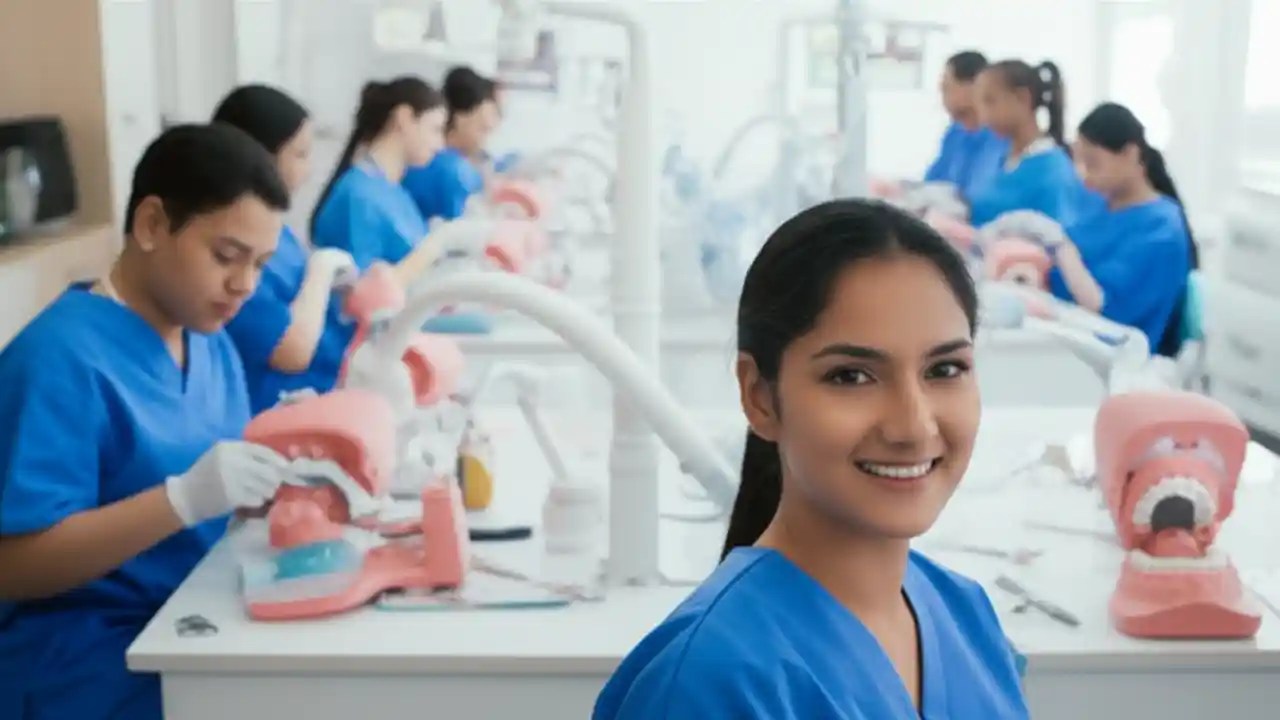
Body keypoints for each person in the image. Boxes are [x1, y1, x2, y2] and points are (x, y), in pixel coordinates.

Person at [593, 200, 1029, 719]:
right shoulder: (705, 683)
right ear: (760, 397)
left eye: (946, 369)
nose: (913, 426)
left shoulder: (966, 616)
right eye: (851, 376)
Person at [0, 124, 293, 719]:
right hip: (90, 666)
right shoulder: (58, 359)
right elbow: (15, 565)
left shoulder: (209, 344)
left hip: (199, 625)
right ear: (152, 224)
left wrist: (278, 467)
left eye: (261, 265)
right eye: (227, 257)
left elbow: (217, 509)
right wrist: (182, 499)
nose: (245, 285)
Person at [213, 84, 359, 414]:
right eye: (300, 155)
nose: (307, 172)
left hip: (326, 391)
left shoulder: (279, 233)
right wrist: (322, 270)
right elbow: (291, 350)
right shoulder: (232, 249)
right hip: (275, 417)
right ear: (260, 158)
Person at [1044, 102, 1195, 356]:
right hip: (1067, 336)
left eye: (1092, 163)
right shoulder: (1096, 204)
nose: (1082, 175)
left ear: (1130, 154)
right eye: (1078, 162)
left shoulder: (1161, 229)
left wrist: (1062, 250)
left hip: (1119, 356)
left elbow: (1109, 309)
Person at [310, 76, 449, 284]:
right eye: (435, 130)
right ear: (403, 118)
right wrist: (428, 253)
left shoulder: (391, 190)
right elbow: (362, 298)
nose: (440, 145)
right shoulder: (360, 197)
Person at [969, 59, 1084, 227]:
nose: (983, 117)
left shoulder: (1052, 171)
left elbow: (1057, 240)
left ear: (1023, 98)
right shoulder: (1000, 157)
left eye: (990, 101)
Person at [401, 66, 500, 221]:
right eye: (482, 129)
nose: (484, 141)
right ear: (460, 118)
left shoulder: (422, 157)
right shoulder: (453, 170)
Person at [924, 51, 1009, 202]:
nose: (942, 98)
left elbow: (981, 196)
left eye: (946, 88)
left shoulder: (1000, 136)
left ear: (971, 87)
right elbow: (932, 182)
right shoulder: (955, 133)